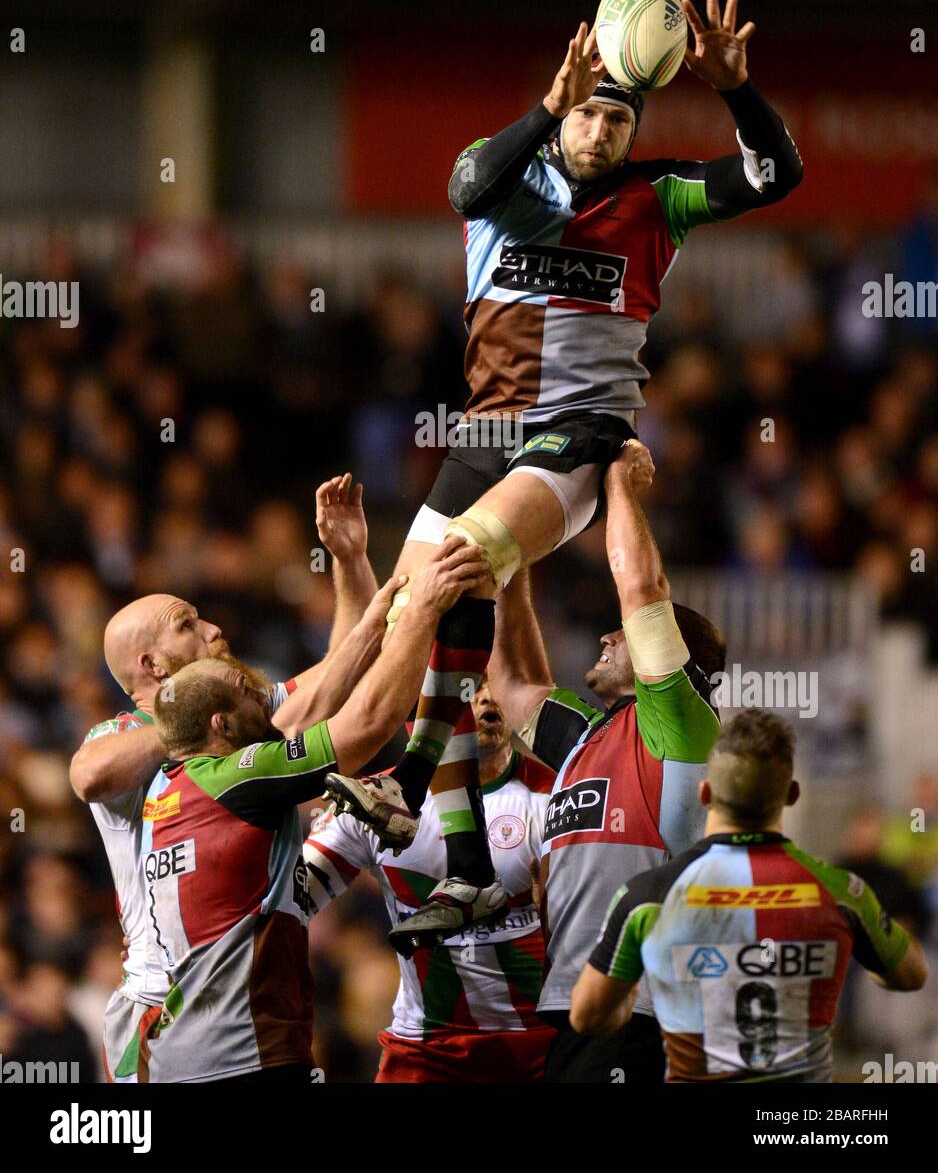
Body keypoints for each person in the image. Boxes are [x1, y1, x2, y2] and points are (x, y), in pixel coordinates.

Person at [326, 0, 802, 946]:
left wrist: (736, 92)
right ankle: (467, 868)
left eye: (617, 120)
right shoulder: (507, 180)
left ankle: (408, 781)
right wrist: (547, 106)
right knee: (408, 621)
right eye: (586, 113)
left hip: (579, 437)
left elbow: (773, 174)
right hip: (482, 438)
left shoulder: (660, 196)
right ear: (561, 112)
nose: (599, 131)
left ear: (634, 133)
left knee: (459, 566)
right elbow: (464, 186)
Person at [138, 537, 489, 1083]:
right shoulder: (235, 778)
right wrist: (423, 609)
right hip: (242, 1056)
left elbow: (319, 705)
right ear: (220, 726)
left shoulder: (165, 791)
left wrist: (365, 604)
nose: (265, 696)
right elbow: (367, 722)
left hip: (178, 1055)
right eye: (246, 690)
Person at [68, 474, 381, 1082]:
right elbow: (87, 776)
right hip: (163, 1007)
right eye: (187, 625)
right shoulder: (120, 734)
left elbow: (344, 669)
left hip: (247, 985)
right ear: (153, 665)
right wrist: (187, 726)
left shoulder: (237, 708)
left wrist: (349, 559)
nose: (213, 630)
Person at [488, 439, 725, 1082]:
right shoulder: (589, 737)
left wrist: (620, 481)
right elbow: (511, 685)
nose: (607, 634)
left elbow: (641, 587)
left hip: (641, 1009)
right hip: (576, 1004)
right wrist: (512, 554)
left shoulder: (680, 726)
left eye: (623, 632)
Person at [572, 709, 929, 1082]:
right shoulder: (841, 892)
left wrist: (626, 1006)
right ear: (791, 794)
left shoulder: (648, 896)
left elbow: (587, 1016)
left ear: (705, 793)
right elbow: (910, 976)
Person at [306, 676, 555, 1082]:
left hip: (542, 1045)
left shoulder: (557, 799)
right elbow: (293, 900)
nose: (485, 696)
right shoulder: (372, 804)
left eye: (493, 683)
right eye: (469, 685)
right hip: (425, 1048)